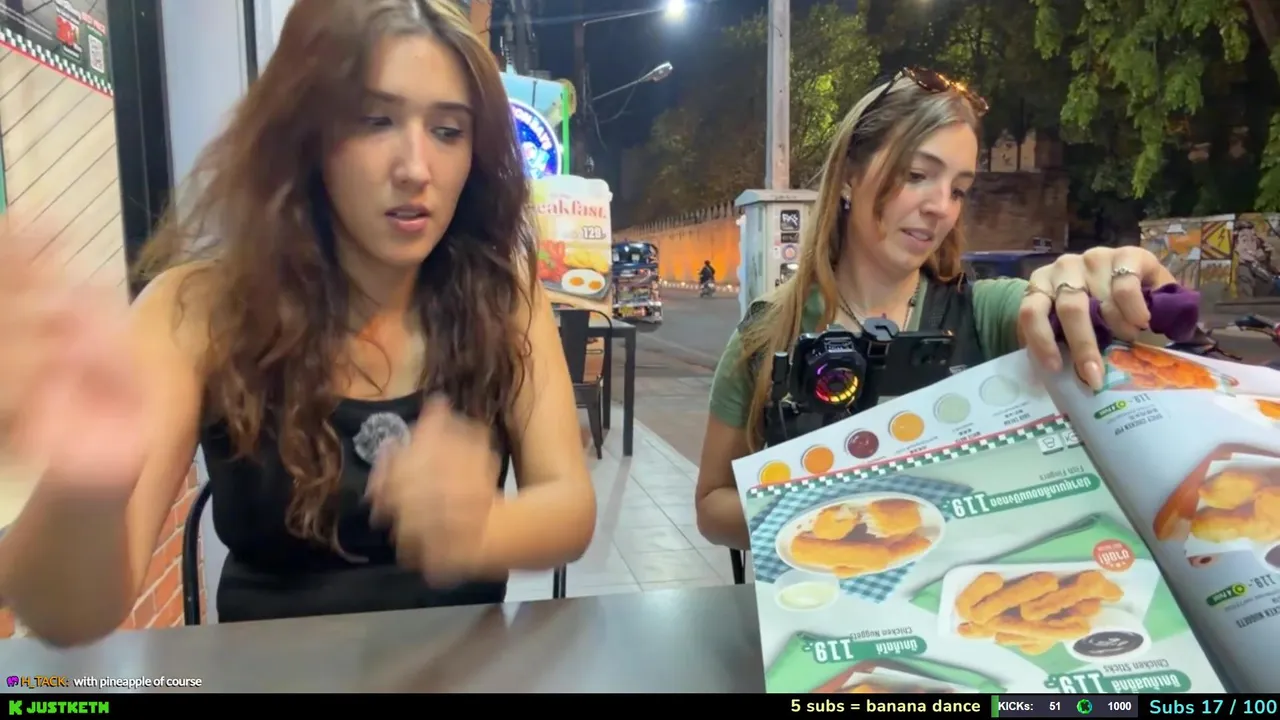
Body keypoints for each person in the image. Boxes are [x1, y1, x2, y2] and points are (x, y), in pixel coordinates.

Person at [0, 0, 595, 646]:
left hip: (465, 672)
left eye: (448, 131)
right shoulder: (197, 310)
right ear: (305, 134)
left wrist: (483, 529)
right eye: (375, 120)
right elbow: (67, 618)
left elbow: (570, 505)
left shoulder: (505, 297)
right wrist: (83, 481)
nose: (415, 168)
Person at [695, 68, 1179, 550]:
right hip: (819, 587)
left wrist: (1129, 296)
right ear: (848, 177)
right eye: (916, 175)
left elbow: (1126, 338)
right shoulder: (767, 332)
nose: (941, 207)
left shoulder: (986, 314)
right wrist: (826, 510)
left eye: (958, 189)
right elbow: (712, 506)